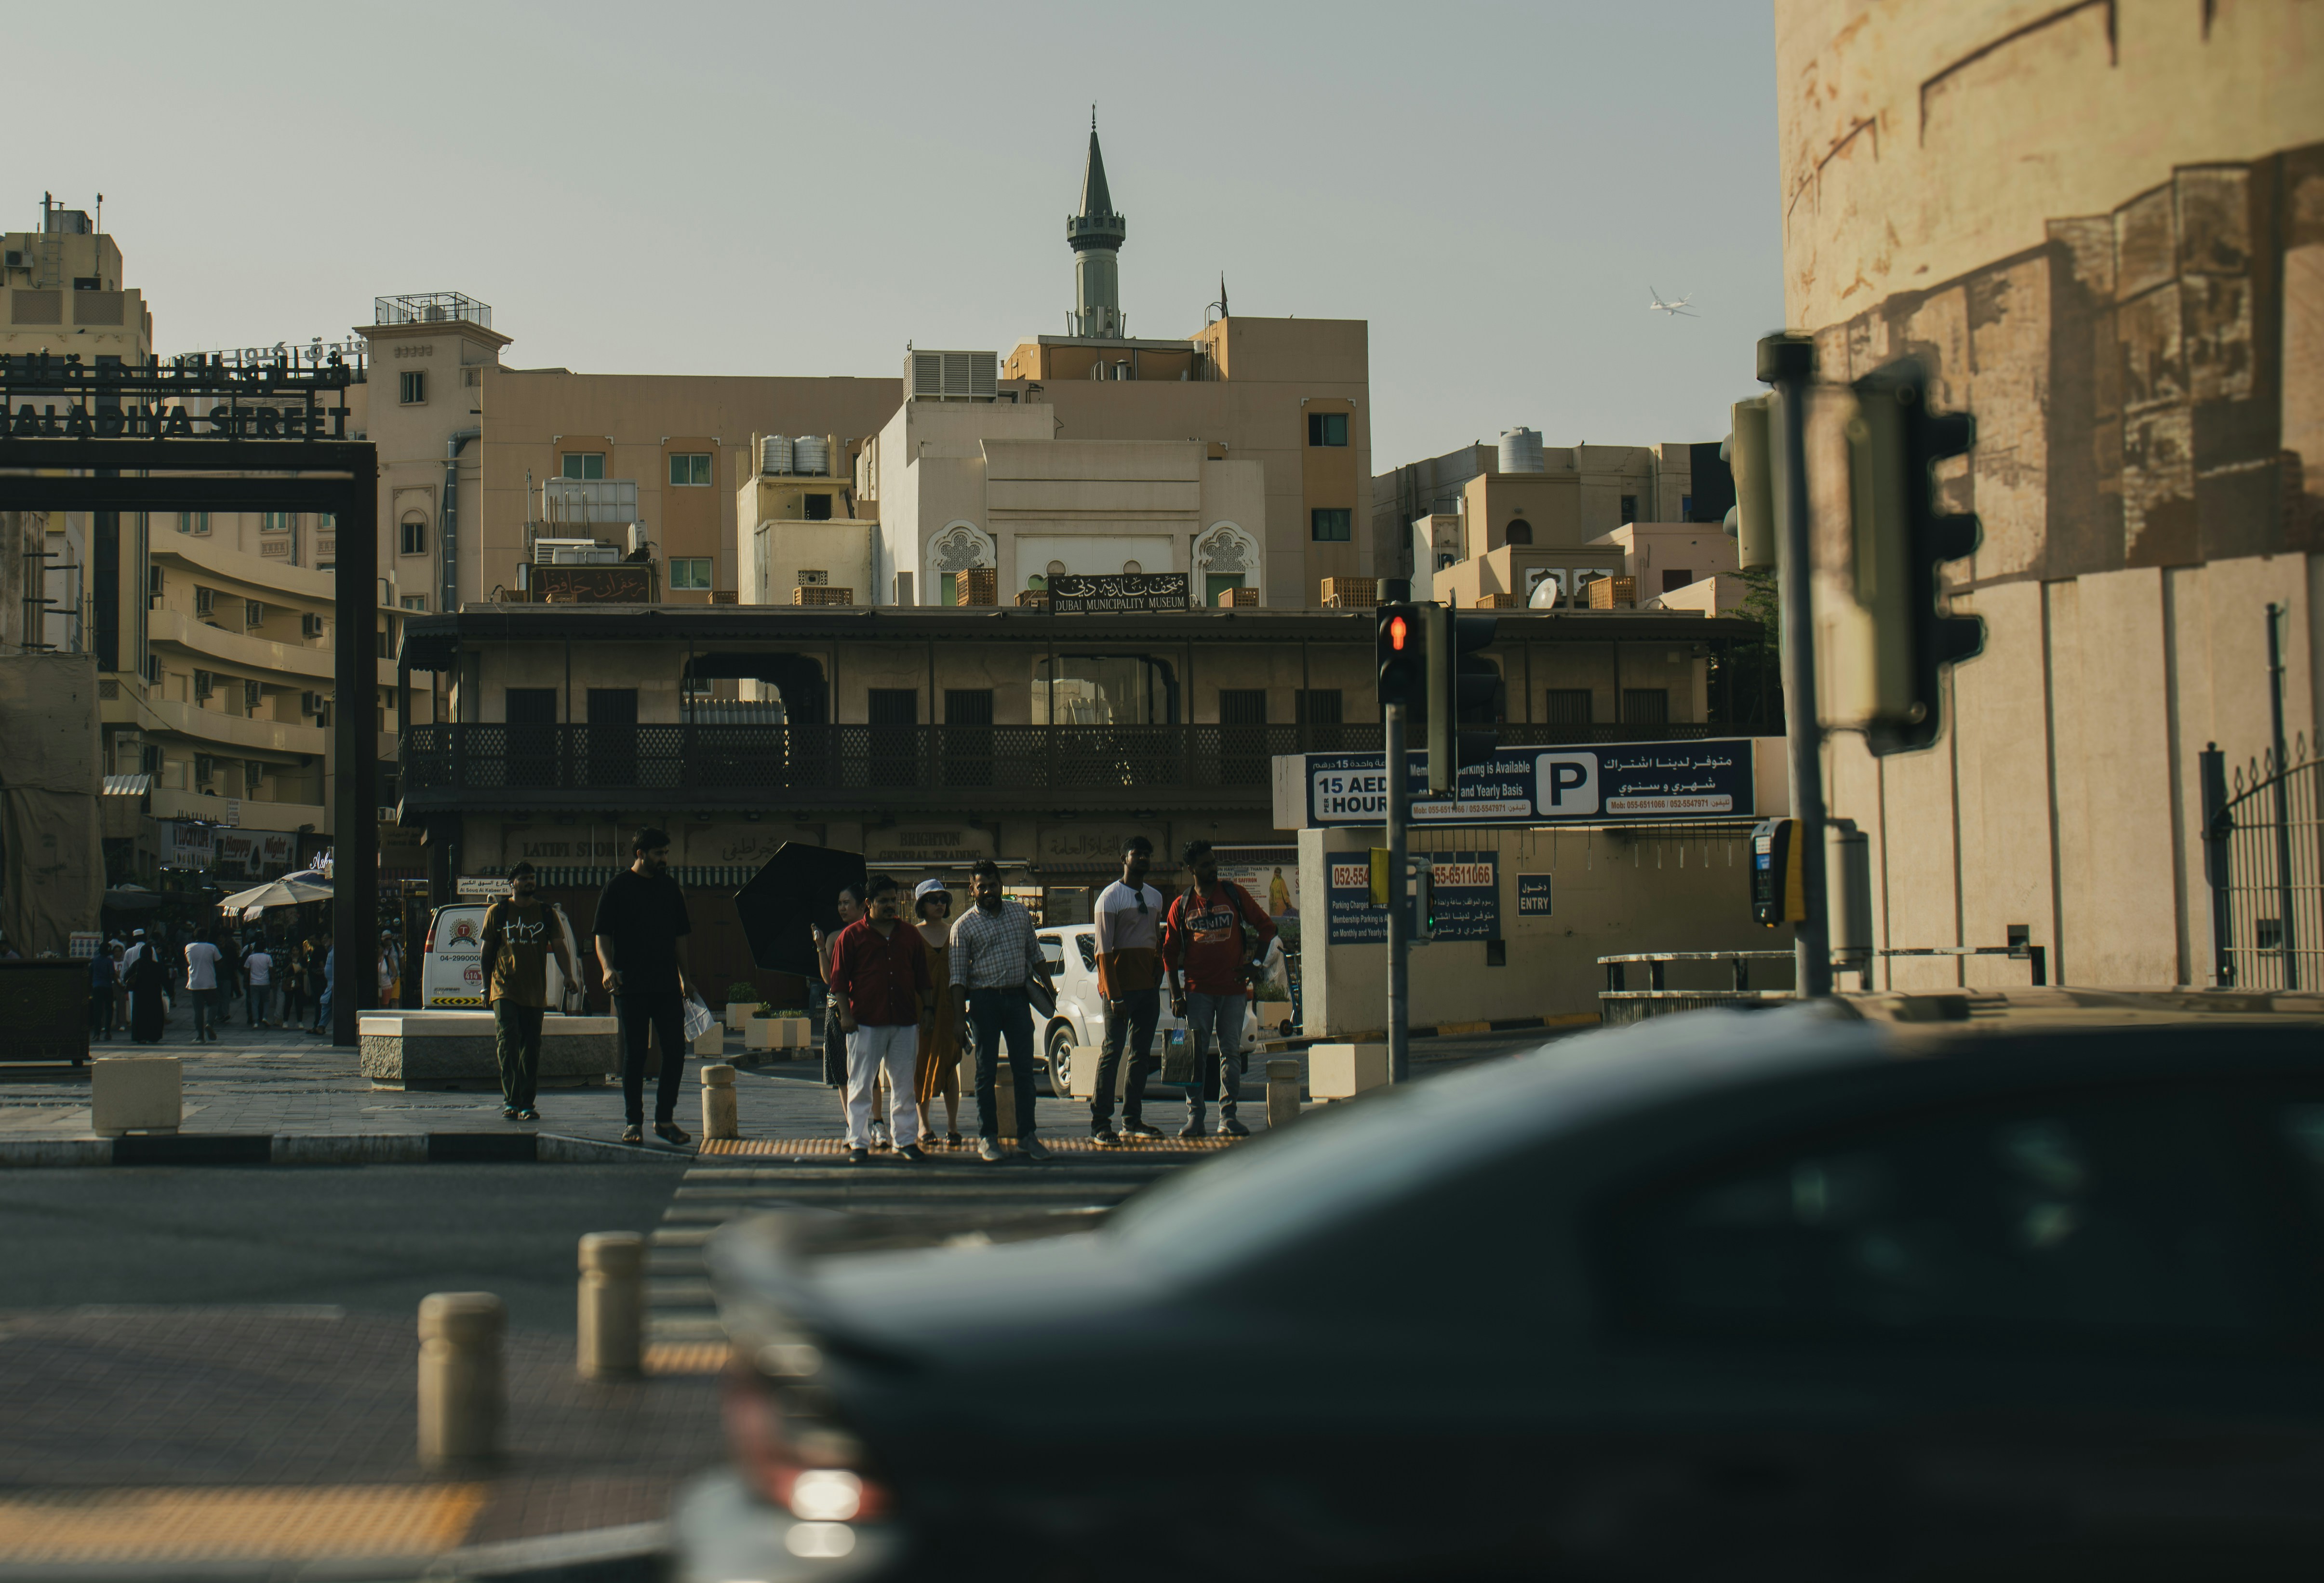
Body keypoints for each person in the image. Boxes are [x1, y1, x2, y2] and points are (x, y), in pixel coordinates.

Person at [1162, 838, 1276, 1139]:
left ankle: (1228, 1117)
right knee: (1195, 1056)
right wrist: (1176, 995)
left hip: (1232, 991)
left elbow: (1266, 927)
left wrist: (1255, 965)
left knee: (1231, 1054)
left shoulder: (1234, 894)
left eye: (1214, 862)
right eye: (1205, 865)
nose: (1213, 868)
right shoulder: (1181, 905)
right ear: (1191, 869)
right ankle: (1195, 1118)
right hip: (1197, 992)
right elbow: (1169, 952)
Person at [593, 826, 695, 1147]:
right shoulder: (617, 887)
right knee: (636, 1053)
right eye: (658, 853)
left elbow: (680, 938)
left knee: (676, 1051)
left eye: (666, 853)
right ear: (640, 854)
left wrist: (686, 977)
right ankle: (633, 1123)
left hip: (666, 984)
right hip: (630, 984)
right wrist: (607, 968)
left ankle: (664, 1119)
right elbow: (601, 934)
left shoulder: (670, 889)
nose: (664, 859)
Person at [950, 859, 1054, 1162]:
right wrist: (958, 1019)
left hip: (1019, 999)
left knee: (1024, 1070)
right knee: (986, 1071)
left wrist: (1049, 989)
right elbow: (957, 979)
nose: (988, 891)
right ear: (972, 890)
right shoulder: (963, 927)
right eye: (981, 887)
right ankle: (988, 1138)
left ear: (1001, 885)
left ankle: (1027, 1136)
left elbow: (1036, 955)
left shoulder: (1020, 914)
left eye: (993, 885)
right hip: (984, 1003)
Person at [828, 875, 933, 1165]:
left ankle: (905, 1139)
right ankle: (858, 1142)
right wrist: (845, 1015)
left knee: (904, 1084)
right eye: (883, 901)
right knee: (860, 1084)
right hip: (864, 1022)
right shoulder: (851, 937)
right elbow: (838, 982)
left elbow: (923, 978)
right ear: (868, 904)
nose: (890, 905)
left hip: (904, 1021)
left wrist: (928, 1010)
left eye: (892, 900)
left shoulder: (910, 935)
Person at [481, 862, 574, 1123]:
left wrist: (569, 975)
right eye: (524, 879)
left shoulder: (546, 913)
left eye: (532, 878)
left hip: (535, 991)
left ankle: (527, 1104)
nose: (529, 882)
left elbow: (559, 946)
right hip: (504, 989)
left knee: (531, 1049)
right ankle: (511, 1101)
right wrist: (486, 987)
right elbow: (486, 952)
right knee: (508, 1045)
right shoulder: (498, 912)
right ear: (512, 883)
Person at [1089, 835, 1166, 1144]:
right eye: (1137, 854)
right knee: (1112, 1052)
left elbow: (1155, 940)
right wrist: (1114, 995)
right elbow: (1103, 951)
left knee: (1141, 1055)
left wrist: (1158, 970)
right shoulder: (1109, 898)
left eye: (1148, 854)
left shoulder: (1156, 897)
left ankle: (1132, 1120)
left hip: (1147, 990)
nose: (1144, 858)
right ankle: (1100, 1123)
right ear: (1124, 858)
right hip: (1120, 994)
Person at [909, 879, 965, 1147]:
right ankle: (924, 1125)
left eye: (943, 899)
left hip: (950, 1009)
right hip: (921, 1010)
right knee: (921, 1066)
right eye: (933, 900)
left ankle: (953, 1126)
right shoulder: (912, 935)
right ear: (922, 905)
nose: (940, 904)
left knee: (951, 1066)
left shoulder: (956, 932)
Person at [812, 883, 864, 1117]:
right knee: (842, 1069)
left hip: (864, 1006)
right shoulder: (835, 937)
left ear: (862, 906)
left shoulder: (872, 935)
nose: (842, 908)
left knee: (866, 1068)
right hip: (836, 1008)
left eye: (847, 903)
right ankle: (851, 1120)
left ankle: (874, 1120)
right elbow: (828, 978)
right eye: (840, 904)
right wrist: (821, 947)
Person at [183, 929, 224, 1044]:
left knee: (198, 1010)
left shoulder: (188, 947)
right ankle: (210, 1023)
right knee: (214, 1004)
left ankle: (200, 1037)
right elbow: (220, 962)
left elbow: (188, 962)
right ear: (206, 936)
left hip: (195, 983)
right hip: (210, 982)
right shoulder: (212, 947)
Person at [124, 943, 168, 1043]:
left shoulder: (137, 964)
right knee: (154, 1016)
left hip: (139, 995)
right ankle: (153, 1036)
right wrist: (170, 993)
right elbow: (164, 980)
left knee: (140, 1016)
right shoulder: (156, 966)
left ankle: (140, 1037)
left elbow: (126, 976)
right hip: (154, 994)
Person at [87, 944, 119, 1042]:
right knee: (109, 1009)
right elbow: (112, 975)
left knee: (98, 1011)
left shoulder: (94, 961)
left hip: (97, 987)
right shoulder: (109, 961)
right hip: (107, 987)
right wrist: (120, 985)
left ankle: (97, 1034)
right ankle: (107, 1033)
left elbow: (90, 974)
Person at [242, 939, 275, 1028]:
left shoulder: (251, 957)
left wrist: (245, 982)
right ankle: (265, 1017)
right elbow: (271, 970)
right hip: (265, 982)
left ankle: (256, 1021)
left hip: (254, 983)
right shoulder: (268, 957)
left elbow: (246, 971)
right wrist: (273, 981)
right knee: (266, 1001)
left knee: (255, 1002)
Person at [311, 939, 336, 1037]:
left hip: (333, 983)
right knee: (327, 1004)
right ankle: (321, 1026)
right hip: (331, 983)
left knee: (328, 1004)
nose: (325, 942)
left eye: (327, 939)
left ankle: (321, 1026)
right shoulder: (331, 952)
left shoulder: (335, 952)